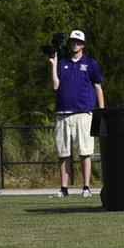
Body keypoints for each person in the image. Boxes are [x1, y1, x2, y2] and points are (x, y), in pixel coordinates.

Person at [50, 30, 103, 198]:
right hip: (63, 113)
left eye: (78, 42)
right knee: (63, 152)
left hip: (84, 112)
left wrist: (101, 111)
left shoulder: (90, 63)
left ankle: (86, 186)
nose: (75, 44)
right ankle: (64, 188)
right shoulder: (62, 62)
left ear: (83, 45)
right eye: (72, 41)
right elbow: (55, 86)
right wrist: (53, 65)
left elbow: (98, 87)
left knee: (85, 151)